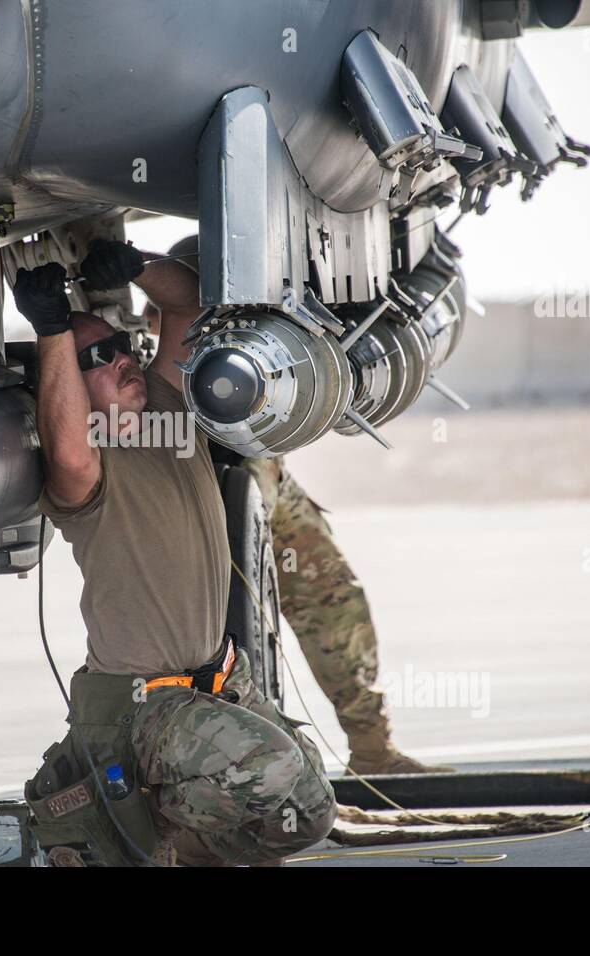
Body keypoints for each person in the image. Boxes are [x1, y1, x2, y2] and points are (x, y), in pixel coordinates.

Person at [16, 240, 337, 866]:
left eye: (123, 346)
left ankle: (169, 845)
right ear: (67, 390)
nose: (124, 360)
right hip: (141, 707)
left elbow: (189, 306)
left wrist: (137, 265)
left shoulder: (167, 404)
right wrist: (51, 330)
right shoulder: (84, 473)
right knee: (267, 769)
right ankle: (125, 817)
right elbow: (70, 449)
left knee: (310, 813)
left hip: (216, 681)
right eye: (99, 358)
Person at [147, 235, 448, 775]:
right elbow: (169, 306)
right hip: (198, 475)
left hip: (260, 466)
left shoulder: (248, 266)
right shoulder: (192, 279)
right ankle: (246, 768)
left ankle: (372, 747)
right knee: (226, 629)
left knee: (331, 595)